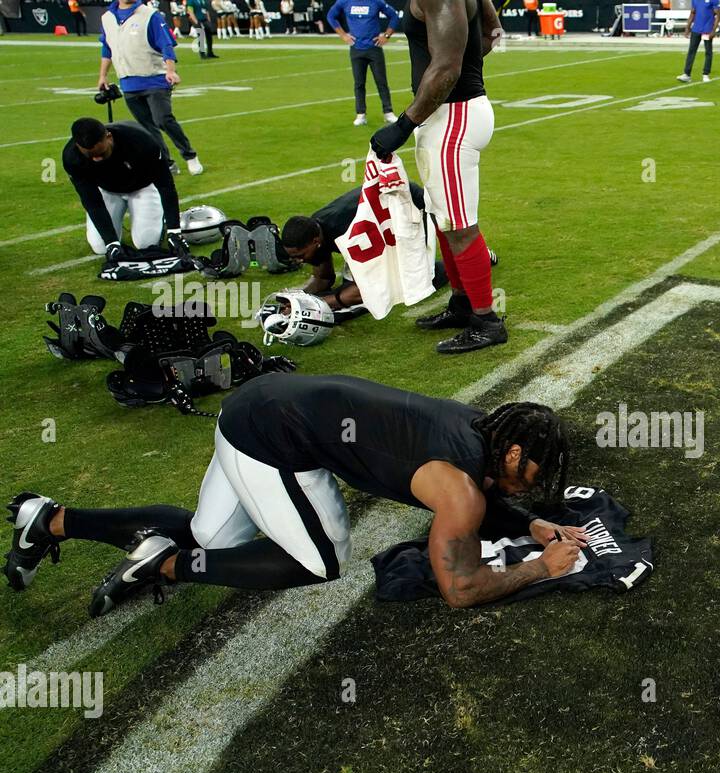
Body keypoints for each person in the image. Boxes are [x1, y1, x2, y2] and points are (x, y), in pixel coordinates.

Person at [5, 378, 586, 614]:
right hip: (275, 440)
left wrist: (528, 526)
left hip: (254, 406)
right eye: (530, 475)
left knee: (216, 539)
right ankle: (166, 565)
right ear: (511, 453)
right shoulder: (462, 489)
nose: (530, 489)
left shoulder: (476, 427)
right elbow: (460, 590)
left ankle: (51, 520)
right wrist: (541, 568)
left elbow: (479, 496)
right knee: (320, 560)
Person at [369, 0, 508, 355]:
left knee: (460, 225)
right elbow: (491, 34)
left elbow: (447, 66)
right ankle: (462, 304)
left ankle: (486, 321)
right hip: (450, 112)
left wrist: (404, 123)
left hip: (453, 116)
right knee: (443, 217)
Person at [281, 184, 498, 310]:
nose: (299, 261)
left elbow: (368, 290)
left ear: (314, 242)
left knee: (413, 281)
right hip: (380, 214)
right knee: (345, 289)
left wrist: (316, 305)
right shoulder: (314, 230)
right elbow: (323, 278)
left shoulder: (345, 232)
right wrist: (299, 297)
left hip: (407, 206)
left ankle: (476, 260)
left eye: (300, 255)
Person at [99, 0, 204, 176]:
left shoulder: (149, 14)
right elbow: (107, 48)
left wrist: (170, 70)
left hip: (155, 78)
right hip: (128, 81)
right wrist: (103, 75)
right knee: (147, 127)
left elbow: (166, 44)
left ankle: (189, 156)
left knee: (163, 119)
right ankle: (166, 162)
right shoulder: (107, 18)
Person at [64, 117, 182, 254]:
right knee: (101, 247)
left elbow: (165, 186)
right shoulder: (72, 158)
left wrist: (174, 231)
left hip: (143, 187)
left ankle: (162, 219)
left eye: (102, 154)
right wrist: (111, 242)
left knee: (147, 244)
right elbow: (92, 202)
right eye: (91, 156)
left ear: (109, 137)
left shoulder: (141, 141)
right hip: (108, 190)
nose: (97, 159)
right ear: (78, 146)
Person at [325, 0, 401, 126]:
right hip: (356, 49)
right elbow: (331, 16)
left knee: (381, 82)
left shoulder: (375, 1)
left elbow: (394, 16)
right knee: (359, 83)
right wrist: (343, 35)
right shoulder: (345, 1)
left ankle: (388, 112)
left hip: (374, 48)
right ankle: (361, 114)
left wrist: (386, 36)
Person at [676, 0, 719, 83]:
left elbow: (718, 15)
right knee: (691, 51)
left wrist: (713, 30)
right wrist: (687, 27)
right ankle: (687, 74)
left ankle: (706, 74)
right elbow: (692, 13)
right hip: (696, 29)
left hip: (707, 30)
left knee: (708, 51)